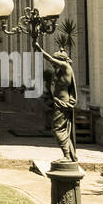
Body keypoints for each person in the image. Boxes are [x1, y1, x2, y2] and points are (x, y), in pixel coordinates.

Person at [33, 32, 78, 163]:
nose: (54, 64)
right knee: (63, 129)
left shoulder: (66, 67)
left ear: (61, 60)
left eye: (56, 61)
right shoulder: (60, 71)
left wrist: (40, 50)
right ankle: (69, 155)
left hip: (63, 103)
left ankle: (67, 156)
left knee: (57, 128)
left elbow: (51, 60)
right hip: (59, 102)